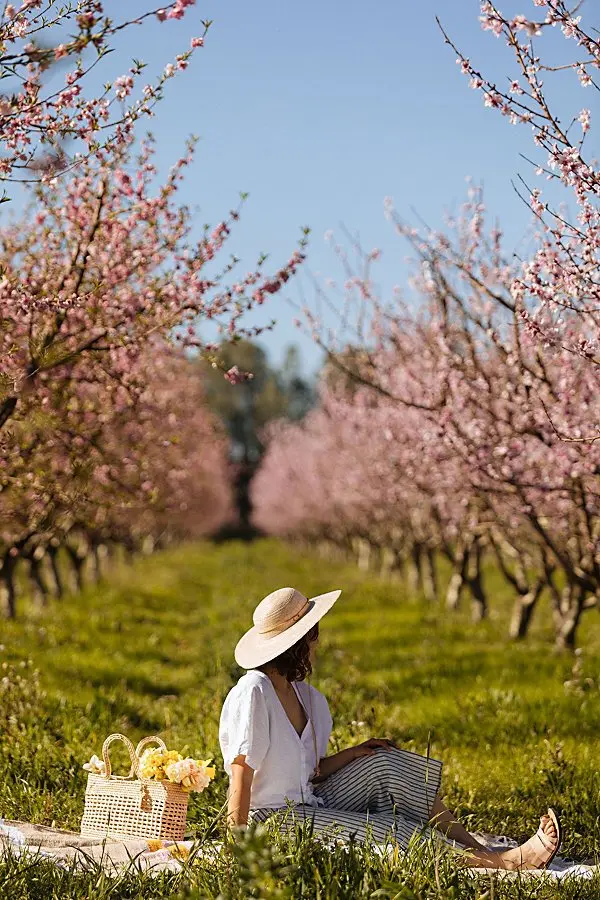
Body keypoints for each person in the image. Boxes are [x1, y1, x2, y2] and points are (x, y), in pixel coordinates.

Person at [218, 587, 562, 870]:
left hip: (311, 802)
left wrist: (355, 754)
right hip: (273, 820)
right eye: (312, 636)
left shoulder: (305, 696)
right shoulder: (255, 691)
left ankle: (470, 845)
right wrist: (240, 846)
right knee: (394, 832)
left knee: (384, 764)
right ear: (299, 641)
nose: (316, 644)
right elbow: (241, 772)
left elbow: (309, 772)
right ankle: (505, 863)